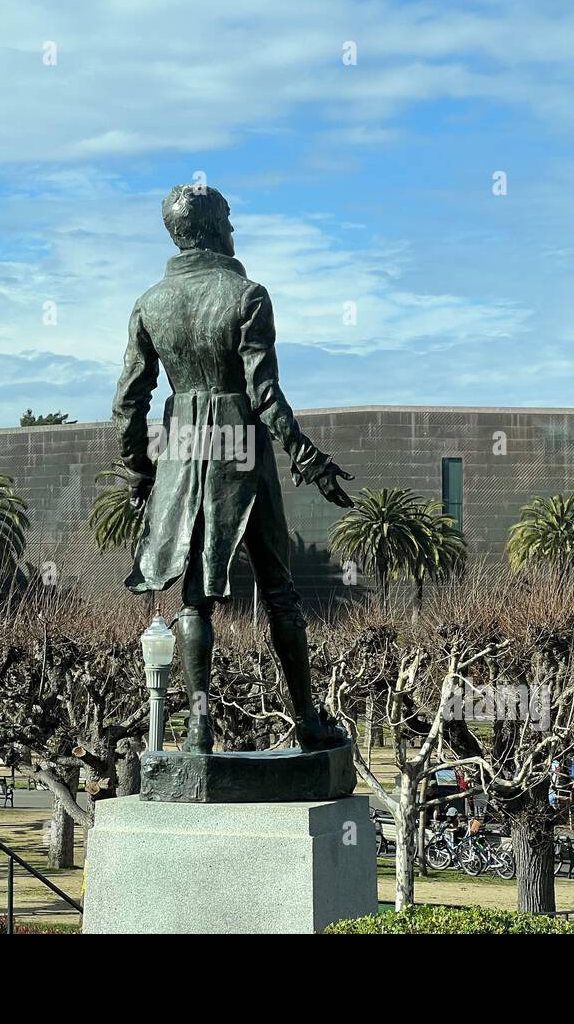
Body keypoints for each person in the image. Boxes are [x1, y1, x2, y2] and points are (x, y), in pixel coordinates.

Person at [112, 184, 355, 754]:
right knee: (279, 588)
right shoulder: (246, 295)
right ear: (214, 227)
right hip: (240, 449)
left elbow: (129, 398)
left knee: (193, 599)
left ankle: (199, 729)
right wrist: (306, 455)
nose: (233, 227)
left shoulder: (150, 303)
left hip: (181, 451)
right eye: (228, 217)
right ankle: (307, 720)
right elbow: (264, 393)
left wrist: (140, 471)